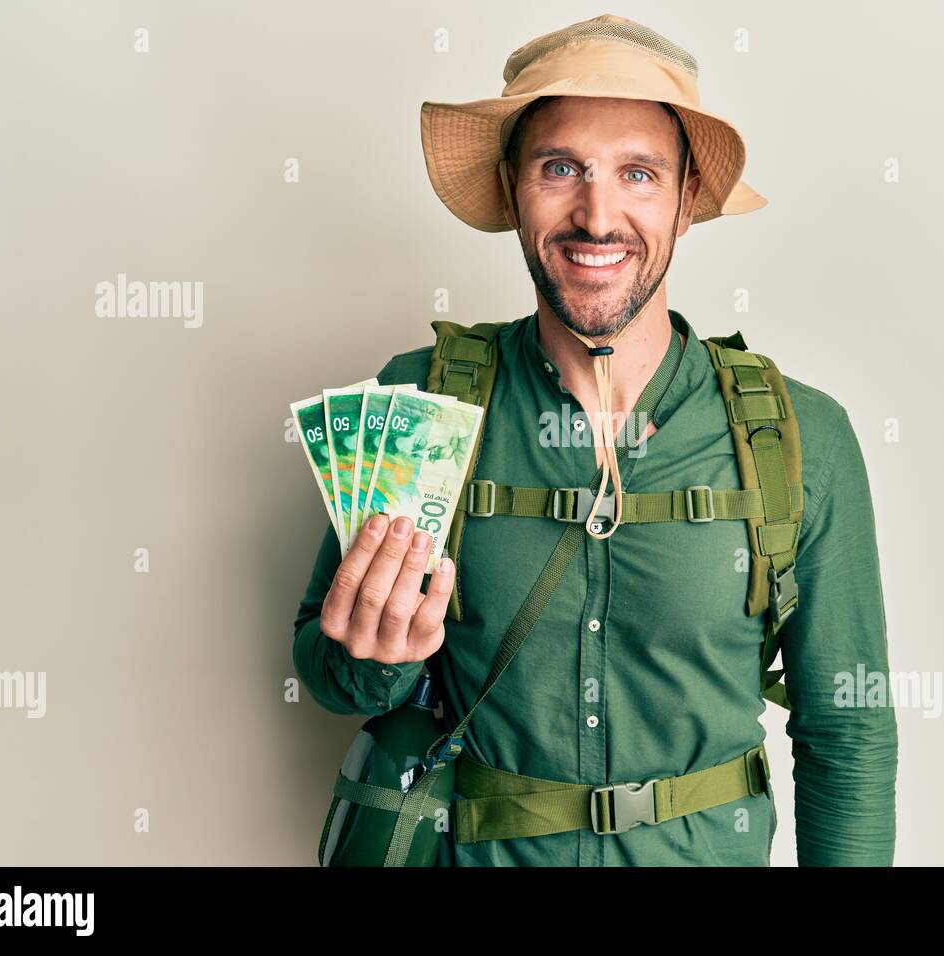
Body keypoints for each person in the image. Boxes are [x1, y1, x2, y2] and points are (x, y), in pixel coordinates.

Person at [293, 13, 897, 866]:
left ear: (687, 200)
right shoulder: (421, 406)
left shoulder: (804, 435)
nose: (597, 215)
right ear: (511, 189)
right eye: (559, 168)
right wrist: (374, 657)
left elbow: (848, 733)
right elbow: (324, 670)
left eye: (638, 173)